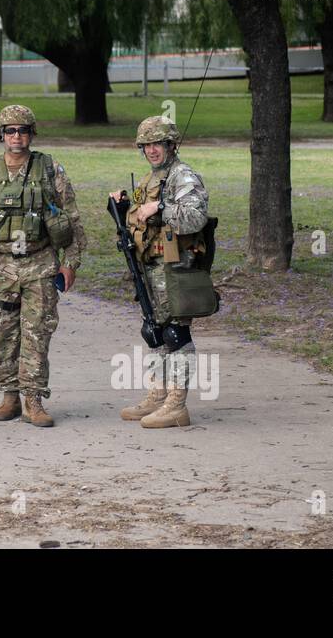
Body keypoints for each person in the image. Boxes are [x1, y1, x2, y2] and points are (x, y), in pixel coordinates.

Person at [0, 105, 85, 428]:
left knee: (37, 332)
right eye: (11, 130)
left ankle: (33, 399)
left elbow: (71, 218)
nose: (17, 136)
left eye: (23, 130)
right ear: (1, 134)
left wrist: (69, 263)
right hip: (0, 265)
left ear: (32, 134)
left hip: (40, 263)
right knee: (4, 333)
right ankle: (9, 395)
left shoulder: (50, 169)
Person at [111, 116, 210, 429]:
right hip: (151, 266)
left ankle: (177, 405)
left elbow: (195, 218)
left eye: (158, 144)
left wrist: (161, 209)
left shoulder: (183, 176)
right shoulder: (151, 179)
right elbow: (138, 219)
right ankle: (158, 395)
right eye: (146, 145)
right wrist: (124, 206)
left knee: (175, 332)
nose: (152, 150)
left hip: (177, 267)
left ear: (171, 144)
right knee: (153, 331)